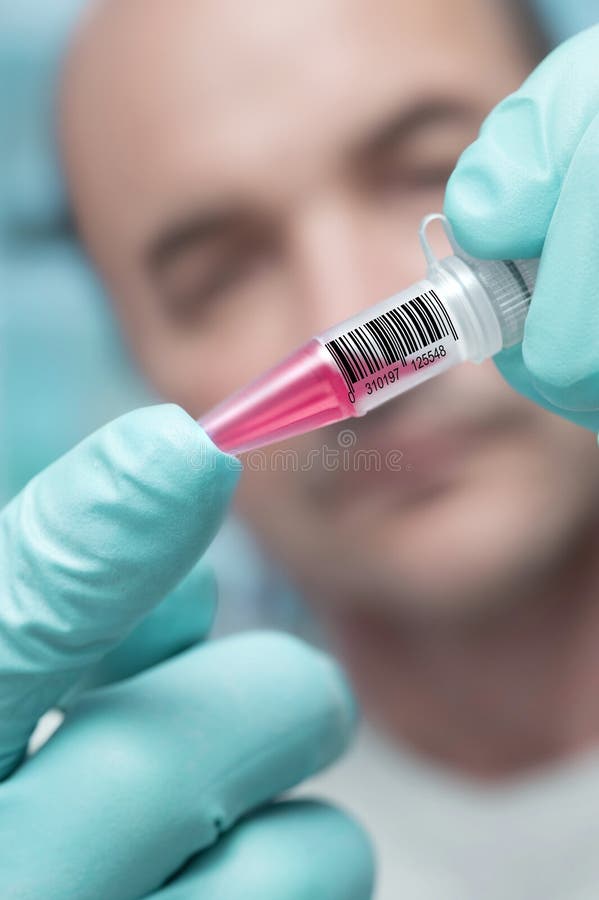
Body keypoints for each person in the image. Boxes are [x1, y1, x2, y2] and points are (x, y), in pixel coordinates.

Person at [2, 0, 599, 897]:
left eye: (423, 168)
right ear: (133, 358)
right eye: (218, 275)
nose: (345, 306)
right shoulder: (151, 847)